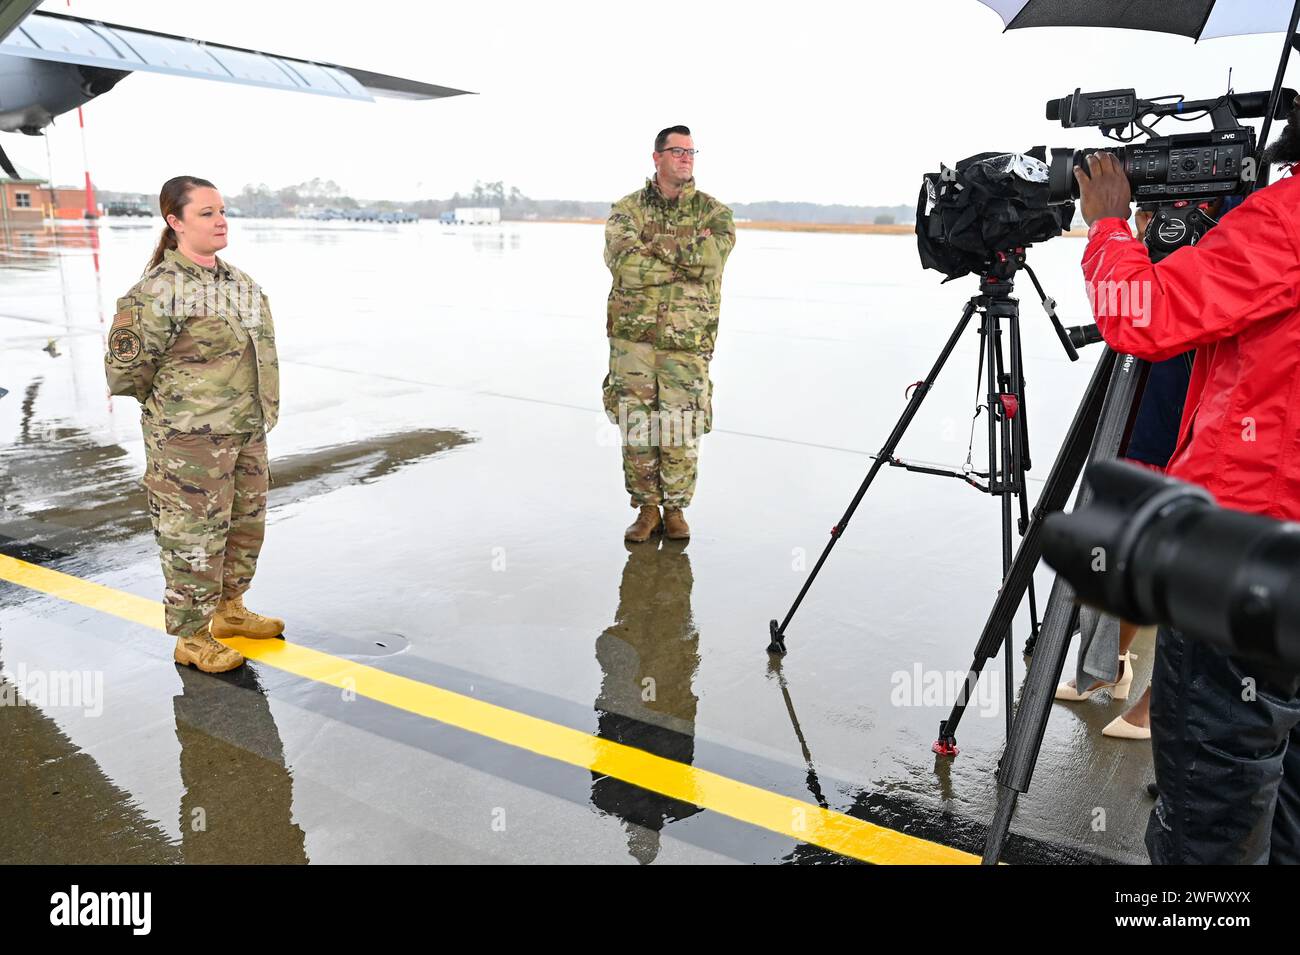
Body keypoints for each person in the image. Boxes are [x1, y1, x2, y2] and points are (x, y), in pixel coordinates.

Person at [1074, 95, 1300, 863]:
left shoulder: (1287, 217)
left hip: (1244, 551)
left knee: (1210, 808)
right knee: (1283, 793)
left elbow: (1143, 316)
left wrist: (1108, 223)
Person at [105, 175, 283, 674]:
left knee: (245, 526)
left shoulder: (238, 283)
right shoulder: (157, 292)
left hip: (246, 428)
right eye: (206, 212)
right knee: (192, 536)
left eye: (222, 210)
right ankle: (190, 636)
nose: (220, 220)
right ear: (174, 221)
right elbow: (126, 369)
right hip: (189, 442)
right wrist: (179, 414)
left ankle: (229, 611)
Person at [602, 125, 736, 542]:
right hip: (634, 344)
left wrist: (654, 247)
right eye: (677, 150)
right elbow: (625, 263)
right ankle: (647, 511)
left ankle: (676, 511)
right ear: (656, 157)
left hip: (686, 343)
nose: (686, 157)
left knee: (680, 428)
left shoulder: (714, 214)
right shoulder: (628, 209)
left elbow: (710, 262)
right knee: (638, 428)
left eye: (691, 151)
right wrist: (683, 258)